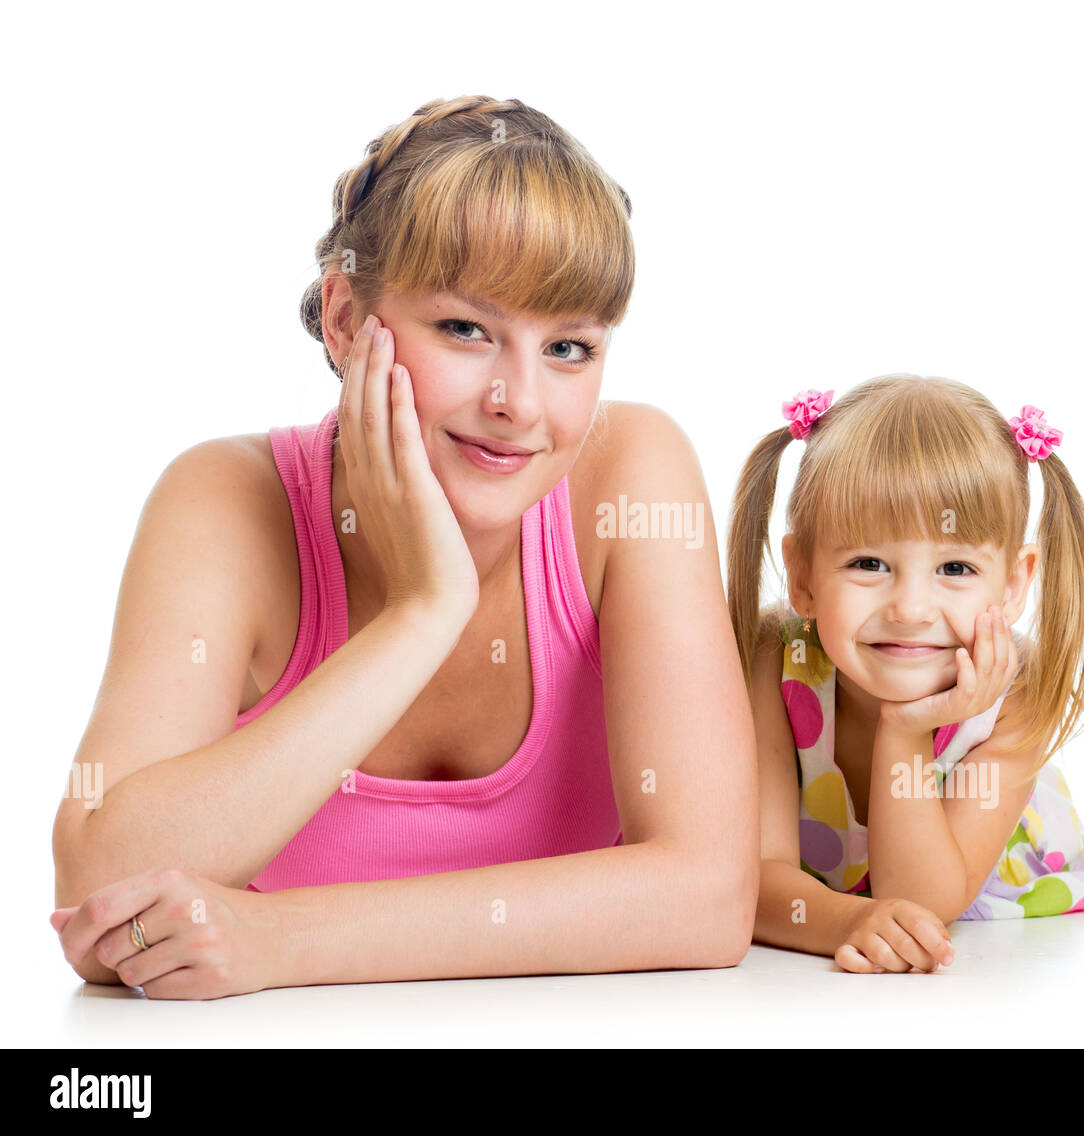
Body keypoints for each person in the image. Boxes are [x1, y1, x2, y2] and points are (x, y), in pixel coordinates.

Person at [50, 95, 758, 998]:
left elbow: (707, 895)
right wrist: (425, 613)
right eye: (467, 329)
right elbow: (97, 888)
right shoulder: (226, 501)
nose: (521, 404)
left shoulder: (631, 475)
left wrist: (284, 941)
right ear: (347, 320)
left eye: (571, 348)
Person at [726, 375, 1084, 973]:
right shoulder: (774, 658)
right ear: (804, 576)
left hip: (981, 881)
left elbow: (922, 903)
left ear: (1014, 584)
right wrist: (847, 921)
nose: (911, 609)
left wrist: (909, 729)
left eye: (955, 568)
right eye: (868, 563)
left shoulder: (1020, 694)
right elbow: (755, 877)